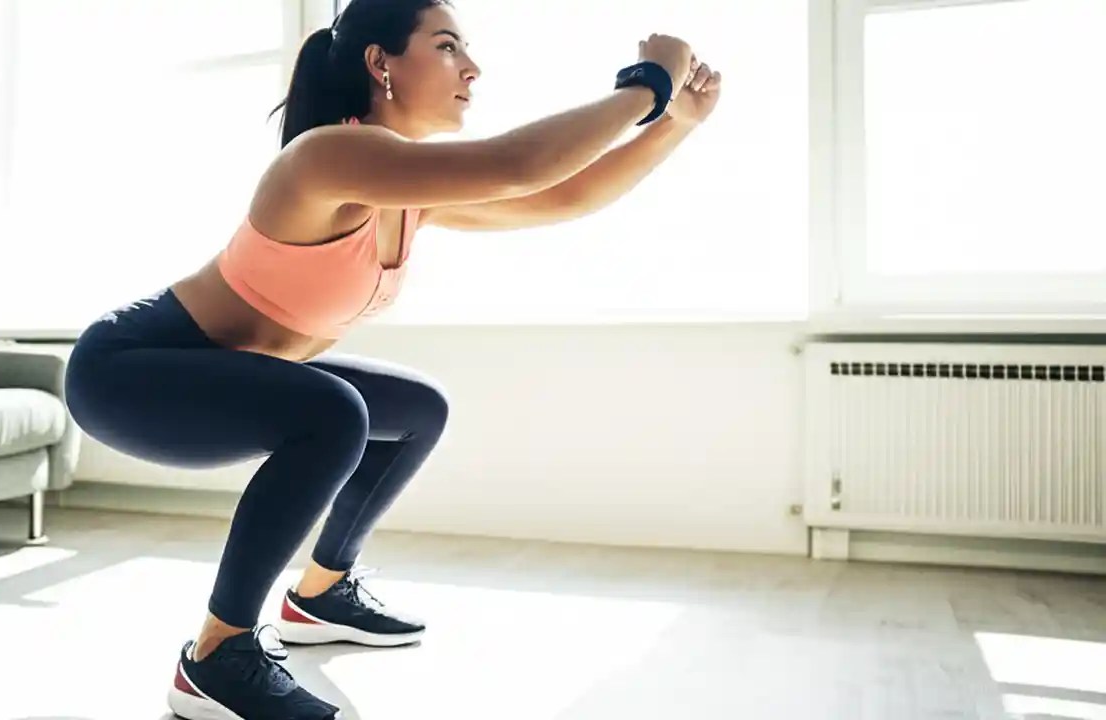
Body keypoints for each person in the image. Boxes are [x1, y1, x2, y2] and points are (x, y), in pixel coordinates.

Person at [62, 0, 721, 718]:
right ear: (381, 65)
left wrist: (674, 126)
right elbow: (517, 165)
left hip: (231, 377)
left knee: (414, 409)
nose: (472, 67)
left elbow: (561, 193)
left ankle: (319, 596)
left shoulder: (405, 195)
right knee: (333, 413)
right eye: (446, 47)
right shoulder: (326, 156)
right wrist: (648, 81)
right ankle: (216, 656)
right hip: (128, 372)